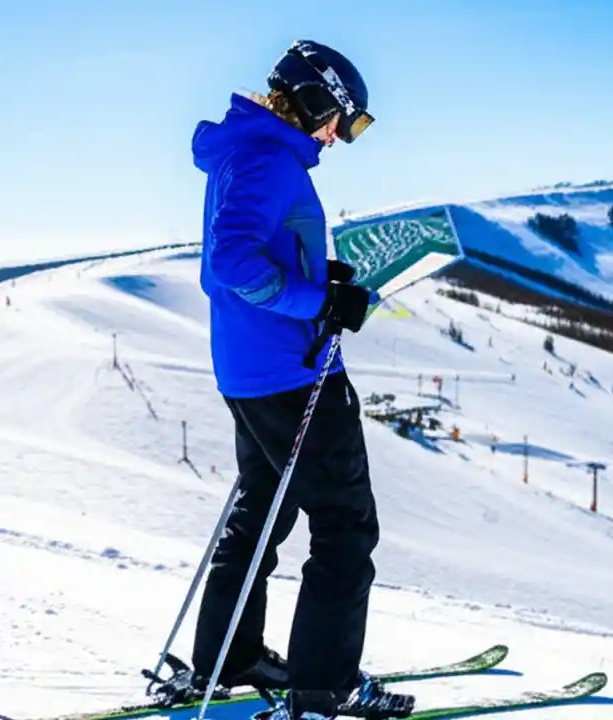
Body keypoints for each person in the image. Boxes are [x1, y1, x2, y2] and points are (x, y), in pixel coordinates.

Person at [188, 40, 411, 720]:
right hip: (294, 372)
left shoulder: (245, 151)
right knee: (345, 526)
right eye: (344, 121)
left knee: (264, 506)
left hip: (249, 368)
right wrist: (319, 304)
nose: (340, 137)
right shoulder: (268, 160)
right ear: (316, 101)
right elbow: (232, 264)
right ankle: (325, 685)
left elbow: (259, 252)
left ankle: (232, 655)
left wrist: (323, 281)